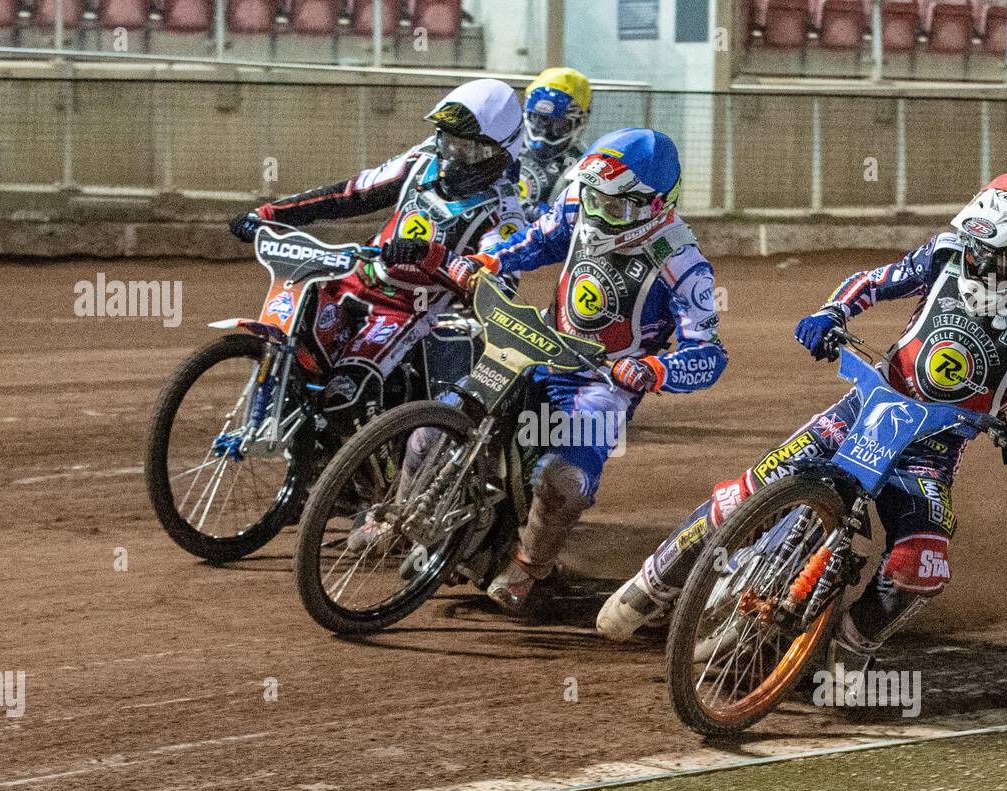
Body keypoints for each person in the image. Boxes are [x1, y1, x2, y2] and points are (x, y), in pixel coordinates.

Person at [597, 171, 1007, 676]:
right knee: (744, 494)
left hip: (930, 455)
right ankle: (652, 583)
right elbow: (875, 282)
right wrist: (831, 313)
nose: (983, 265)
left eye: (1003, 259)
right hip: (863, 410)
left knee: (920, 567)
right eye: (977, 249)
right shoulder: (944, 254)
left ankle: (851, 650)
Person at [396, 127, 728, 612]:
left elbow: (709, 353)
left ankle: (532, 565)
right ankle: (396, 517)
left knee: (565, 479)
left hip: (604, 378)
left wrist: (655, 369)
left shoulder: (683, 262)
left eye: (614, 205)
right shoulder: (579, 208)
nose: (598, 211)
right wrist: (484, 261)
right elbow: (532, 243)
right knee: (435, 426)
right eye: (593, 195)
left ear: (655, 204)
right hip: (538, 346)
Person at [227, 78, 527, 430]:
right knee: (299, 349)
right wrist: (270, 214)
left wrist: (432, 257)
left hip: (405, 309)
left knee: (346, 395)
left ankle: (372, 476)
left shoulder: (504, 213)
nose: (452, 157)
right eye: (447, 142)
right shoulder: (420, 162)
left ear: (500, 153)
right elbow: (350, 194)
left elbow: (498, 287)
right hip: (352, 278)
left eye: (467, 150)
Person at [516, 67, 593, 218]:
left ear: (579, 122)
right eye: (540, 121)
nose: (545, 132)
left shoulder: (582, 166)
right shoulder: (509, 143)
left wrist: (551, 216)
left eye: (559, 125)